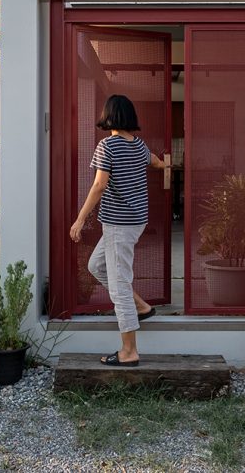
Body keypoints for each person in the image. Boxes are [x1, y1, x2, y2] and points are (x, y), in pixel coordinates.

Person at [69, 94, 167, 367]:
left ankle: (129, 351)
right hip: (135, 222)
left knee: (119, 286)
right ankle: (142, 306)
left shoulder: (107, 146)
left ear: (108, 115)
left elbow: (99, 185)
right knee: (96, 265)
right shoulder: (138, 145)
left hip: (119, 224)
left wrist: (79, 220)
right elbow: (157, 162)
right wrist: (164, 165)